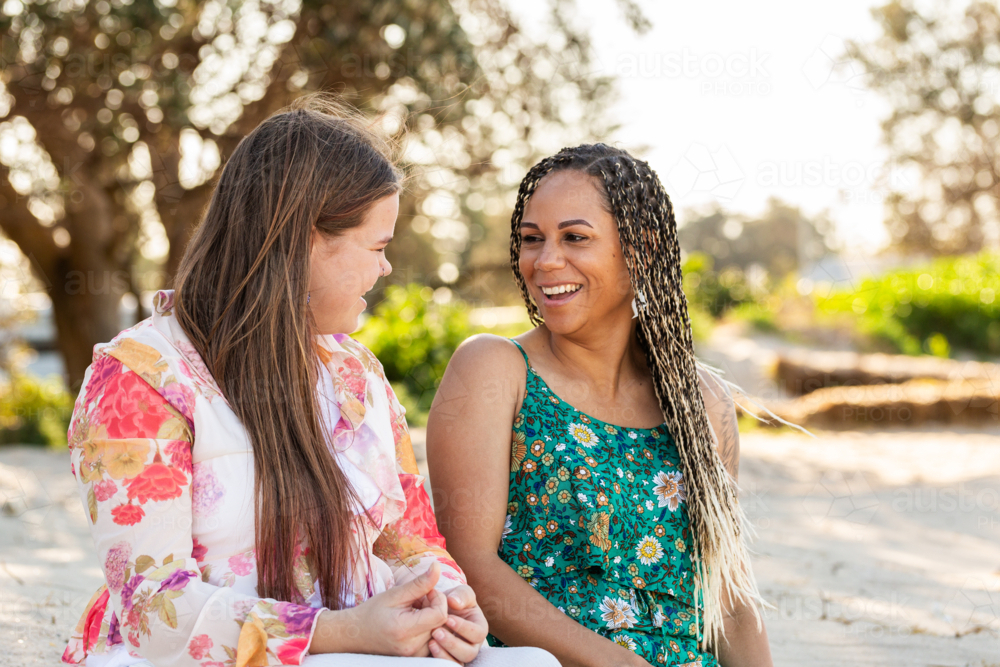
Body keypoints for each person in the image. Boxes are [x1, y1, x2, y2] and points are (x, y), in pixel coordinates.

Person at [61, 95, 559, 667]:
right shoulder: (140, 380)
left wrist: (447, 601)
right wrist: (338, 632)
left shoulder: (358, 376)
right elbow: (154, 612)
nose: (385, 268)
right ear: (301, 241)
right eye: (377, 246)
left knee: (533, 665)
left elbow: (411, 541)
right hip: (214, 657)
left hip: (360, 647)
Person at [426, 144, 779, 667]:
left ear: (642, 247)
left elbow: (727, 594)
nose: (545, 261)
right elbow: (470, 567)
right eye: (531, 239)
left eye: (575, 238)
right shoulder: (494, 370)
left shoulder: (700, 402)